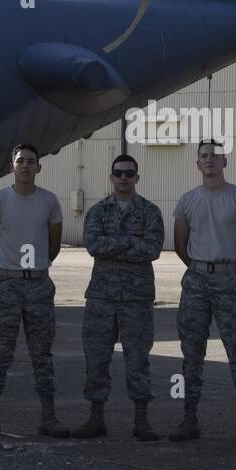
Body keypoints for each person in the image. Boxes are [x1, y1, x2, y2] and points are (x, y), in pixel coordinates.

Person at [0, 144, 71, 438]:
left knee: (42, 354)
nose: (25, 166)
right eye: (20, 161)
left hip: (39, 284)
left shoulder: (49, 201)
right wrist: (7, 270)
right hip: (7, 284)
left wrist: (35, 270)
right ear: (12, 166)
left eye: (31, 162)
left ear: (39, 167)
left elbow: (54, 245)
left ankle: (49, 418)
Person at [170, 140, 236, 444]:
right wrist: (201, 268)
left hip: (230, 280)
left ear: (226, 162)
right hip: (196, 280)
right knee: (191, 353)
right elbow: (180, 244)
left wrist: (234, 272)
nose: (210, 160)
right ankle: (188, 418)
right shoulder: (187, 200)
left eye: (216, 156)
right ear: (197, 164)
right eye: (204, 156)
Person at [73, 154, 165, 441]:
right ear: (111, 177)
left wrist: (114, 245)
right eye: (119, 173)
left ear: (137, 177)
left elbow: (152, 249)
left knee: (138, 359)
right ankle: (96, 418)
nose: (124, 178)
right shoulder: (98, 211)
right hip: (102, 297)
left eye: (129, 173)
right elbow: (93, 245)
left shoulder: (150, 212)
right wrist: (130, 243)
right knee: (97, 359)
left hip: (137, 298)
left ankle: (141, 420)